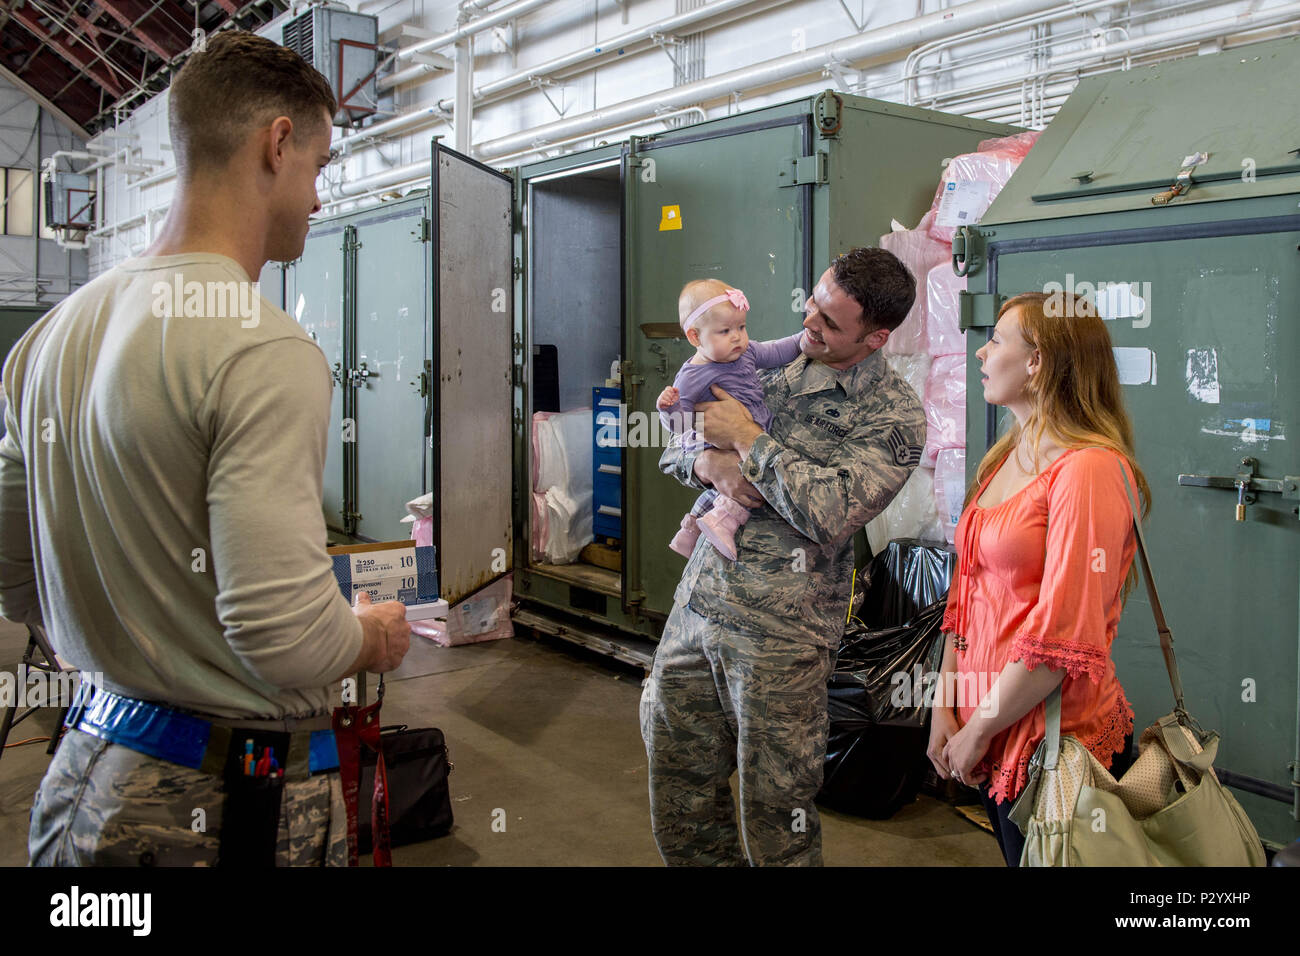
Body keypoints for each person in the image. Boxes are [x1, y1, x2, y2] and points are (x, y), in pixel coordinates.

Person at [0, 31, 411, 866]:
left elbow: (13, 570)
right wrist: (370, 636)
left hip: (82, 780)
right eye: (321, 167)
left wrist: (132, 637)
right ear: (278, 143)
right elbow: (282, 632)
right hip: (216, 808)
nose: (320, 199)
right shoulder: (262, 348)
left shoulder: (48, 338)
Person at [642, 247, 926, 866]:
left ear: (875, 337)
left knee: (779, 817)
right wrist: (706, 463)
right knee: (680, 793)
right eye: (812, 303)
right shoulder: (767, 359)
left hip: (782, 639)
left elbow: (831, 512)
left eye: (829, 321)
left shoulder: (893, 415)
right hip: (699, 610)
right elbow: (676, 438)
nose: (809, 323)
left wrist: (747, 439)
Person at [929, 290, 1148, 867]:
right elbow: (965, 600)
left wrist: (977, 728)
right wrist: (944, 705)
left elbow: (1064, 638)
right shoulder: (1007, 455)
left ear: (1038, 362)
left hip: (1050, 739)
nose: (980, 354)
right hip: (989, 726)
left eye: (995, 340)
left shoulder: (1089, 470)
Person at [656, 279, 804, 559]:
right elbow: (680, 426)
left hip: (746, 431)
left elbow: (776, 352)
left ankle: (690, 529)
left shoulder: (745, 352)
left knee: (734, 477)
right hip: (714, 442)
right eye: (725, 331)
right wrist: (668, 409)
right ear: (695, 338)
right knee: (746, 481)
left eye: (741, 327)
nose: (737, 337)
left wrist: (801, 341)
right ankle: (722, 522)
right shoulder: (692, 376)